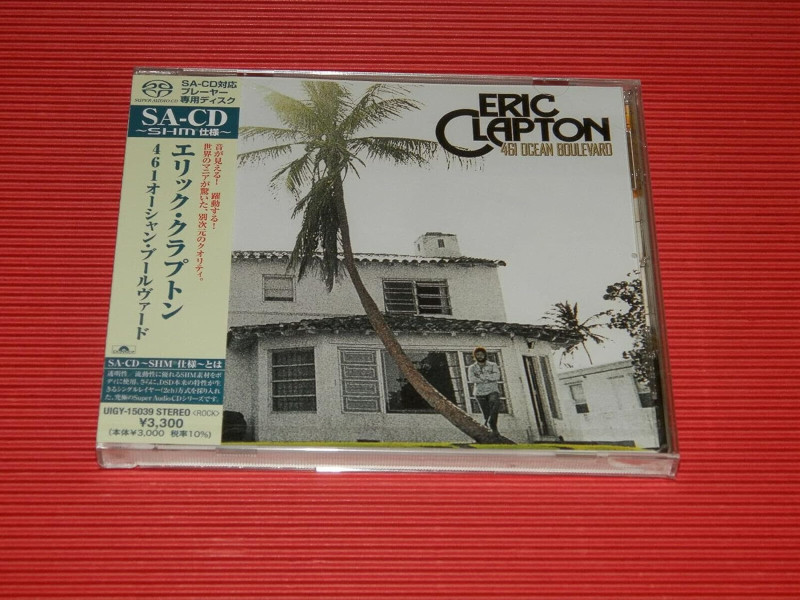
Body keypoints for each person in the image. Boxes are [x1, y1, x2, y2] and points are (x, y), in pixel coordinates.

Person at [467, 346, 502, 435]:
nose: (480, 356)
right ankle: (488, 431)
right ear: (475, 356)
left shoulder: (492, 365)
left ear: (485, 355)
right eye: (477, 354)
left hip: (492, 390)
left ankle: (492, 425)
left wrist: (482, 377)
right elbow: (472, 379)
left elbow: (497, 376)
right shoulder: (472, 367)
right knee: (486, 413)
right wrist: (488, 378)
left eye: (481, 354)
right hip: (479, 392)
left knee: (494, 407)